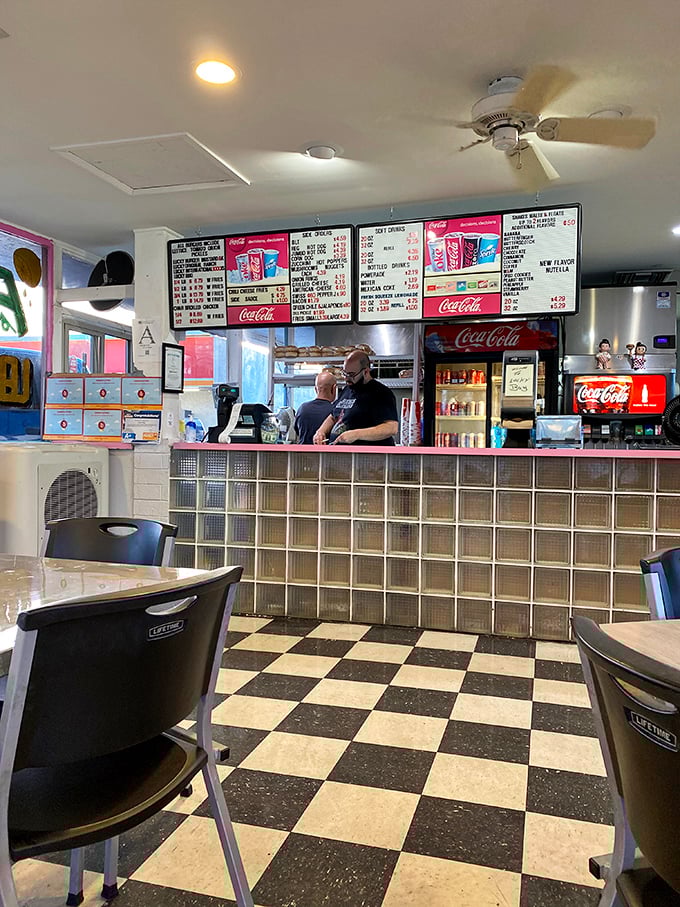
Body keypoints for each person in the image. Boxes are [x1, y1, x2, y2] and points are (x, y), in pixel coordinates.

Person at [313, 350, 398, 445]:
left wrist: (356, 434)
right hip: (342, 455)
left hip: (367, 457)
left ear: (366, 372)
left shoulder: (381, 393)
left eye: (351, 374)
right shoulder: (347, 389)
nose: (346, 378)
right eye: (344, 373)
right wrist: (321, 431)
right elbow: (333, 416)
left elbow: (391, 428)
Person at [294, 370, 337, 444]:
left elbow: (297, 432)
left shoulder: (302, 408)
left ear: (315, 389)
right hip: (325, 454)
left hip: (302, 454)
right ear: (334, 388)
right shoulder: (335, 411)